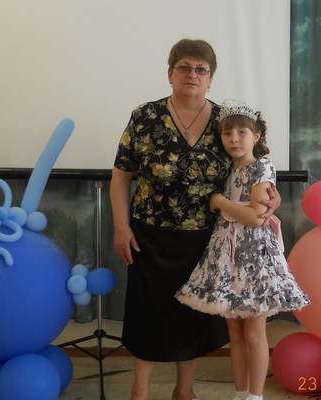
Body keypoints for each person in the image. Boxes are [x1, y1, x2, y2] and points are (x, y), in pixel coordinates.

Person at [110, 39, 281, 400]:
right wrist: (121, 226)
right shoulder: (145, 116)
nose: (192, 74)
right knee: (147, 313)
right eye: (184, 67)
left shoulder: (224, 121)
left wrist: (271, 194)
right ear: (170, 74)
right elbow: (122, 174)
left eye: (201, 69)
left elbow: (252, 165)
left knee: (192, 316)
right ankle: (140, 391)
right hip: (149, 235)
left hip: (206, 238)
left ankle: (184, 390)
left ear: (210, 78)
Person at [175, 99, 310, 400]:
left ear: (256, 136)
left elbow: (255, 217)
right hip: (226, 255)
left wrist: (219, 201)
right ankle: (240, 393)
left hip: (253, 258)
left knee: (253, 333)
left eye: (242, 132)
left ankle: (255, 396)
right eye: (228, 133)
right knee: (234, 334)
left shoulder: (261, 167)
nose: (234, 139)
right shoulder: (225, 170)